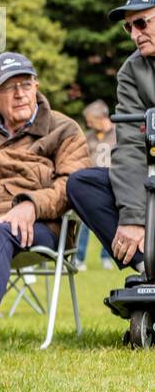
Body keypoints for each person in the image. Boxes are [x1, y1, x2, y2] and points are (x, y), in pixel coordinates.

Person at [0, 53, 88, 326]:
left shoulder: (63, 129)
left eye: (26, 84)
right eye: (10, 88)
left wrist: (31, 205)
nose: (20, 94)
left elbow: (73, 186)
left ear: (36, 86)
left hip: (40, 223)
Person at [68, 0, 155, 269]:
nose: (135, 34)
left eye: (141, 23)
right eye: (129, 28)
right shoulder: (131, 71)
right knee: (82, 184)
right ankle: (149, 269)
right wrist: (132, 217)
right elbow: (129, 145)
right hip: (151, 176)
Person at [75, 100, 117, 269]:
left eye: (90, 119)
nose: (88, 123)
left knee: (111, 222)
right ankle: (79, 258)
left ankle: (107, 257)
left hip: (113, 184)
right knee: (84, 222)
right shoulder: (89, 136)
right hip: (91, 186)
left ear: (101, 117)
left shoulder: (119, 133)